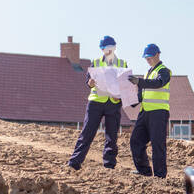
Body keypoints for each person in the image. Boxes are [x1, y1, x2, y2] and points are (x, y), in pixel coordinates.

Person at [67, 36, 129, 170]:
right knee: (87, 133)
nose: (108, 50)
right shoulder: (95, 62)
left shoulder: (123, 64)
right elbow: (88, 81)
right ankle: (74, 162)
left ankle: (109, 165)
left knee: (111, 136)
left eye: (110, 48)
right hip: (96, 103)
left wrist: (121, 95)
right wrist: (90, 83)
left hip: (113, 102)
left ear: (114, 47)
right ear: (102, 49)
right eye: (105, 48)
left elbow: (126, 85)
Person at [128, 43, 171, 178]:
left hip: (159, 113)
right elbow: (142, 95)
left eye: (150, 57)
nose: (148, 60)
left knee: (158, 144)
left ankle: (160, 175)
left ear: (157, 54)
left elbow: (158, 83)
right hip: (145, 112)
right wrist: (128, 101)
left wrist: (139, 82)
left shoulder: (164, 71)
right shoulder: (148, 72)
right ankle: (144, 171)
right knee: (136, 140)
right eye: (146, 58)